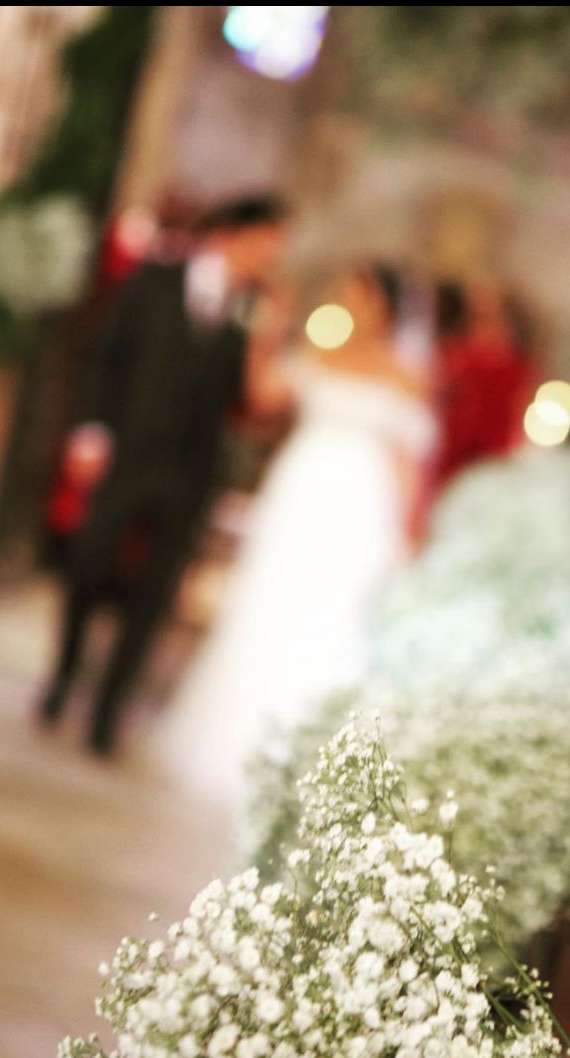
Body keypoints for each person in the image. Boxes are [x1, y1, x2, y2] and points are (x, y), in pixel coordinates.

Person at [157, 262, 436, 811]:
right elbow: (264, 397)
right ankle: (242, 741)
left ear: (384, 307)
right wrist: (268, 334)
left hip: (360, 504)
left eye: (359, 296)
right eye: (344, 293)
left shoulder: (404, 373)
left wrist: (407, 536)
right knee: (271, 604)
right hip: (301, 492)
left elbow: (406, 461)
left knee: (336, 616)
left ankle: (313, 753)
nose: (350, 305)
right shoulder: (321, 354)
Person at [39, 193, 291, 755]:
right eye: (266, 243)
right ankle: (64, 675)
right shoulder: (155, 279)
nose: (270, 257)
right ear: (231, 235)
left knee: (154, 597)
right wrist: (91, 429)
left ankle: (108, 710)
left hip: (192, 468)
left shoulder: (252, 310)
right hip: (127, 450)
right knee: (87, 565)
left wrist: (268, 339)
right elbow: (105, 354)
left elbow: (250, 404)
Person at [427, 279, 540, 501]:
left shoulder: (515, 361)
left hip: (488, 440)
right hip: (450, 432)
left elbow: (515, 404)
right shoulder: (454, 345)